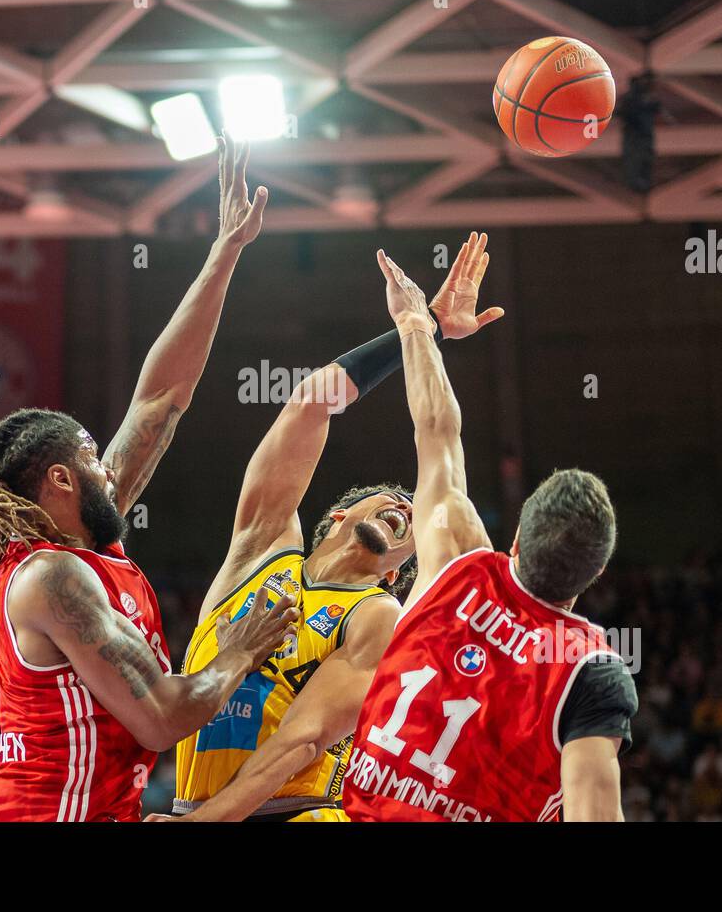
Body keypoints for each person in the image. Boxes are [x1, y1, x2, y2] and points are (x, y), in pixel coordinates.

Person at [0, 133, 299, 822]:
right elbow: (161, 718)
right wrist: (237, 652)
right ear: (59, 479)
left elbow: (161, 400)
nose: (107, 464)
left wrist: (225, 250)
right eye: (91, 456)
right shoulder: (52, 578)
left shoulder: (86, 545)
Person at [151, 233, 505, 822]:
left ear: (402, 564)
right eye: (389, 498)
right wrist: (424, 329)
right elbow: (310, 403)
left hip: (297, 811)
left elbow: (304, 742)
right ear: (339, 514)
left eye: (412, 516)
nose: (404, 508)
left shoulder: (376, 615)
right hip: (196, 806)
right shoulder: (261, 550)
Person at [341, 241, 637, 822]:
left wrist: (414, 324)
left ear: (518, 537)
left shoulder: (455, 558)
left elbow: (437, 428)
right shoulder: (588, 669)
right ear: (597, 573)